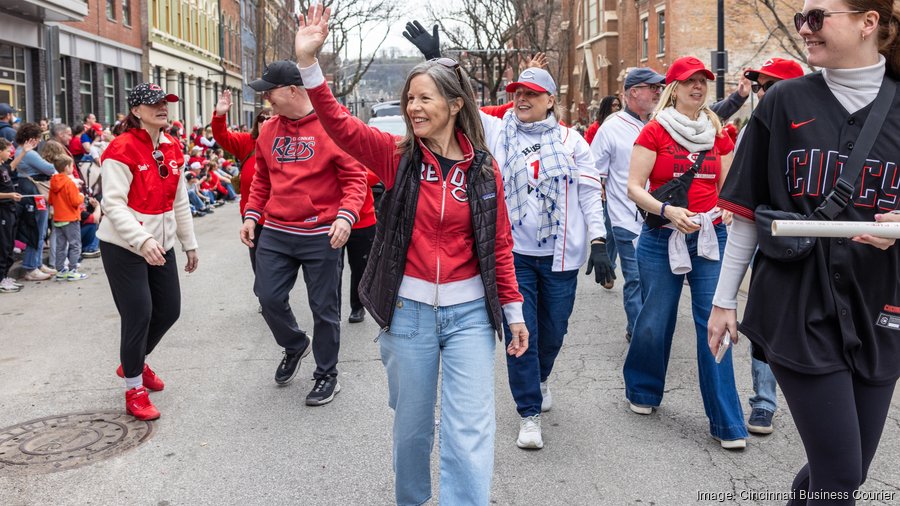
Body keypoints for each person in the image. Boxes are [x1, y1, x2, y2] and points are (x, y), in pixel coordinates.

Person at [296, 6, 528, 504]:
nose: (413, 107)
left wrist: (513, 312)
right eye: (409, 99)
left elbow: (500, 245)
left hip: (469, 316)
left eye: (425, 98)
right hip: (408, 315)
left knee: (470, 431)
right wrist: (309, 65)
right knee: (412, 431)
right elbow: (337, 124)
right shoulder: (396, 157)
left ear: (453, 104)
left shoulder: (483, 170)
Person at [710, 1, 900, 500]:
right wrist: (723, 300)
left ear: (868, 22)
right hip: (797, 303)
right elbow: (750, 210)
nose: (804, 29)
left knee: (843, 473)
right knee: (839, 476)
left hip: (881, 307)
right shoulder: (783, 101)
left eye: (817, 17)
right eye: (800, 19)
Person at [623, 56, 747, 450]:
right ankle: (643, 389)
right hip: (662, 236)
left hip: (710, 237)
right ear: (674, 88)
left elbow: (729, 187)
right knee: (654, 320)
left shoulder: (719, 133)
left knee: (715, 324)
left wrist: (727, 208)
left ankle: (727, 423)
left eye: (703, 82)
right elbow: (634, 186)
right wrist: (666, 210)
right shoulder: (655, 132)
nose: (698, 87)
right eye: (690, 81)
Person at [240, 59, 367, 406]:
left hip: (321, 233)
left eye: (270, 93)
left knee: (324, 309)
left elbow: (355, 180)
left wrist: (345, 216)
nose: (266, 100)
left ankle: (327, 374)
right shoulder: (268, 131)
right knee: (267, 297)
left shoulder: (333, 127)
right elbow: (262, 178)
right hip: (277, 231)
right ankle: (295, 344)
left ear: (293, 91)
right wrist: (252, 216)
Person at [97, 82, 199, 421]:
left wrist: (190, 244)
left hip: (162, 244)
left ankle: (134, 361)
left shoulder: (172, 147)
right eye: (154, 103)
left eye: (166, 102)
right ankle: (134, 388)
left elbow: (179, 200)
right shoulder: (120, 149)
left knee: (169, 310)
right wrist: (141, 240)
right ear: (137, 111)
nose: (163, 107)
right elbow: (112, 204)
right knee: (138, 313)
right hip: (124, 246)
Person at [725, 57, 805, 437]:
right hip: (768, 241)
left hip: (818, 245)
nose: (760, 92)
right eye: (758, 86)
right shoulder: (753, 128)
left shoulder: (819, 127)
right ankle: (764, 401)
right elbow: (741, 183)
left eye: (768, 86)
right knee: (764, 321)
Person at [590, 67, 666, 343]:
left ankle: (650, 326)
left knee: (655, 280)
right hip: (627, 219)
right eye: (653, 87)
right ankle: (640, 334)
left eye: (660, 87)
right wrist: (595, 229)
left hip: (662, 216)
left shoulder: (661, 123)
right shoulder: (611, 127)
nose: (658, 91)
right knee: (635, 279)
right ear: (634, 92)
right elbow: (592, 175)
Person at [15, 123, 56, 281]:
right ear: (31, 139)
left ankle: (37, 263)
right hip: (34, 191)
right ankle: (32, 266)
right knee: (37, 228)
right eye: (38, 138)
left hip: (30, 190)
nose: (39, 141)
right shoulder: (29, 153)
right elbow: (49, 168)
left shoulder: (21, 151)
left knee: (39, 227)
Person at [49, 155, 89, 281]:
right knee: (75, 245)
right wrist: (81, 195)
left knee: (60, 245)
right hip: (70, 218)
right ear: (67, 167)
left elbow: (50, 200)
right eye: (72, 165)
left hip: (58, 218)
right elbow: (75, 201)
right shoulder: (69, 183)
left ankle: (60, 270)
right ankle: (73, 270)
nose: (73, 168)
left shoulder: (53, 182)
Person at [0, 138, 23, 293]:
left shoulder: (3, 167)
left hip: (10, 209)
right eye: (7, 150)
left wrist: (25, 151)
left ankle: (5, 275)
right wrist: (9, 195)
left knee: (9, 245)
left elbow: (12, 167)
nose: (10, 153)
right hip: (3, 210)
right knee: (3, 245)